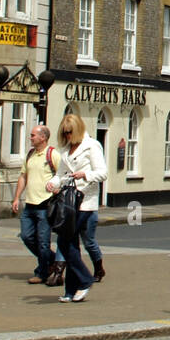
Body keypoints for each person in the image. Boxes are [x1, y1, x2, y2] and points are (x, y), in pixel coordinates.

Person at [46, 112, 107, 302]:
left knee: (65, 243)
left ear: (78, 129)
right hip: (69, 202)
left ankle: (85, 280)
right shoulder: (65, 150)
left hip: (85, 202)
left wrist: (85, 175)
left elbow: (102, 173)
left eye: (70, 132)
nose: (67, 136)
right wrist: (52, 183)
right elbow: (61, 175)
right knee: (70, 244)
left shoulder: (91, 146)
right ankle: (71, 290)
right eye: (64, 133)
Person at [12, 124, 60, 285]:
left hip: (45, 204)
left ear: (43, 137)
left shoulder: (53, 155)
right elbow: (23, 176)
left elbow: (63, 176)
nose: (30, 137)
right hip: (30, 204)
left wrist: (57, 189)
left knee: (43, 241)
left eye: (33, 135)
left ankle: (42, 272)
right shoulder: (30, 154)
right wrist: (17, 197)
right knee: (26, 236)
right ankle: (53, 260)